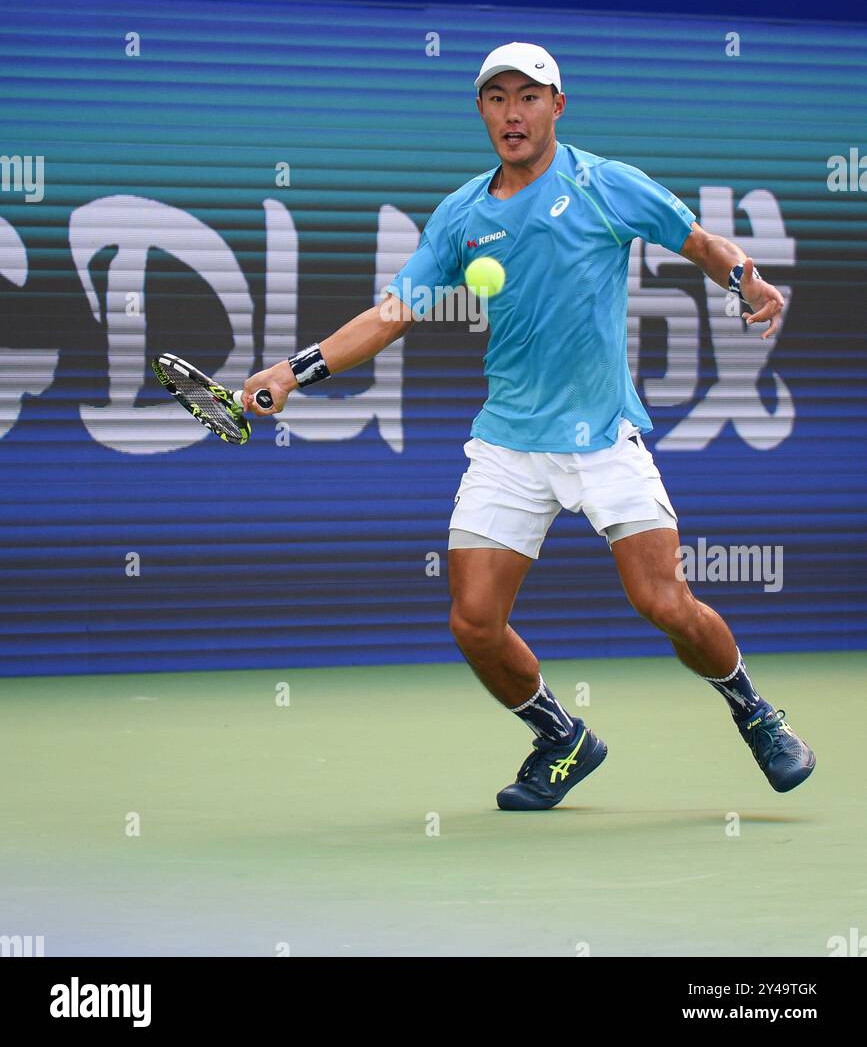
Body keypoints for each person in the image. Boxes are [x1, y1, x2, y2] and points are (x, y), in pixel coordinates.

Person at [242, 42, 815, 811]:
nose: (512, 113)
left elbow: (701, 244)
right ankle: (560, 736)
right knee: (473, 621)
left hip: (604, 437)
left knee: (663, 602)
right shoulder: (462, 215)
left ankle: (755, 713)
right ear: (480, 110)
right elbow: (390, 315)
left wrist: (745, 282)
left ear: (557, 106)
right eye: (496, 98)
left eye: (528, 97)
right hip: (510, 443)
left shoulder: (603, 183)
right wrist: (294, 369)